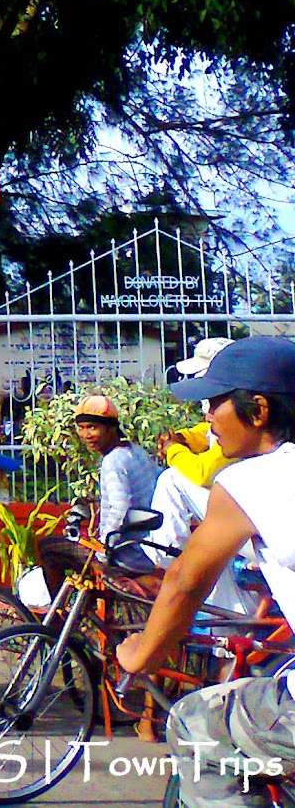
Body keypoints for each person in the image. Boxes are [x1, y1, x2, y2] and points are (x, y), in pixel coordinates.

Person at [117, 337, 295, 808]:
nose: (208, 417)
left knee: (195, 722)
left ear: (257, 410)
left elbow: (184, 580)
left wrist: (142, 653)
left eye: (216, 403)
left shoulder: (249, 481)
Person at [150, 337, 251, 613]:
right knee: (216, 575)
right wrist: (181, 439)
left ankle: (165, 554)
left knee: (171, 479)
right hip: (241, 517)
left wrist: (173, 451)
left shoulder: (239, 418)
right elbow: (203, 434)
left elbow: (202, 472)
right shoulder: (230, 409)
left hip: (251, 522)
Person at [38, 393, 159, 596]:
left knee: (48, 548)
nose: (86, 435)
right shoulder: (135, 451)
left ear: (111, 427)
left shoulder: (113, 461)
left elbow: (121, 510)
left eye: (93, 427)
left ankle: (58, 619)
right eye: (82, 428)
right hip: (144, 548)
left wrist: (103, 549)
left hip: (123, 556)